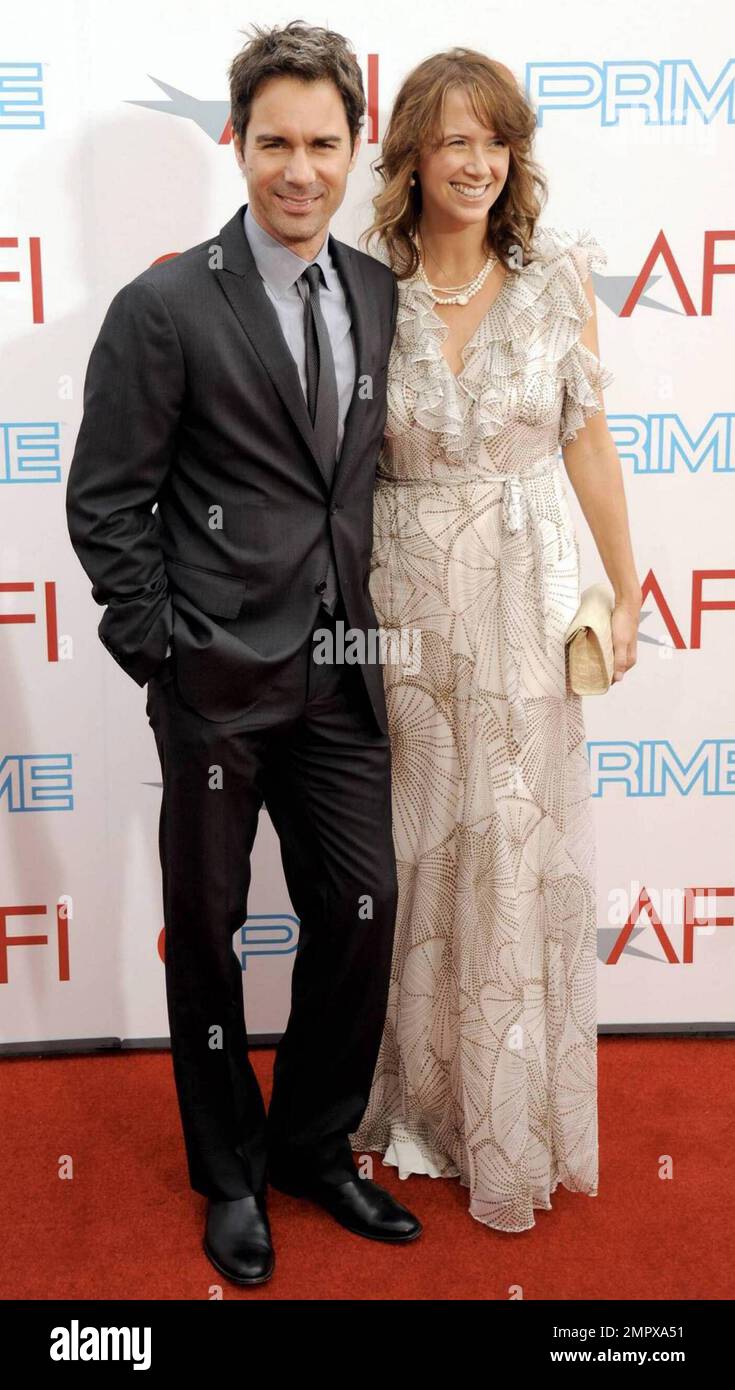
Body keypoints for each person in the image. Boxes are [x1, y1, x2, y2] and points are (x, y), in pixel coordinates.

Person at [65, 20, 422, 1288]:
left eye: (324, 142)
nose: (300, 168)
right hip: (213, 684)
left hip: (342, 677)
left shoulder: (377, 291)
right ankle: (230, 1173)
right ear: (237, 141)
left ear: (353, 145)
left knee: (363, 910)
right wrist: (163, 653)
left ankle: (314, 1145)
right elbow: (106, 500)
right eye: (275, 140)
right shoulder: (165, 306)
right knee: (207, 934)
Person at [349, 49, 642, 1232]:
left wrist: (628, 588)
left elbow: (587, 443)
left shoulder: (555, 281)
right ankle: (418, 1104)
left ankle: (509, 1117)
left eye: (497, 140)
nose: (477, 163)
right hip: (405, 603)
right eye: (454, 141)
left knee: (514, 853)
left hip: (524, 599)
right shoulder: (367, 284)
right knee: (417, 860)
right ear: (414, 154)